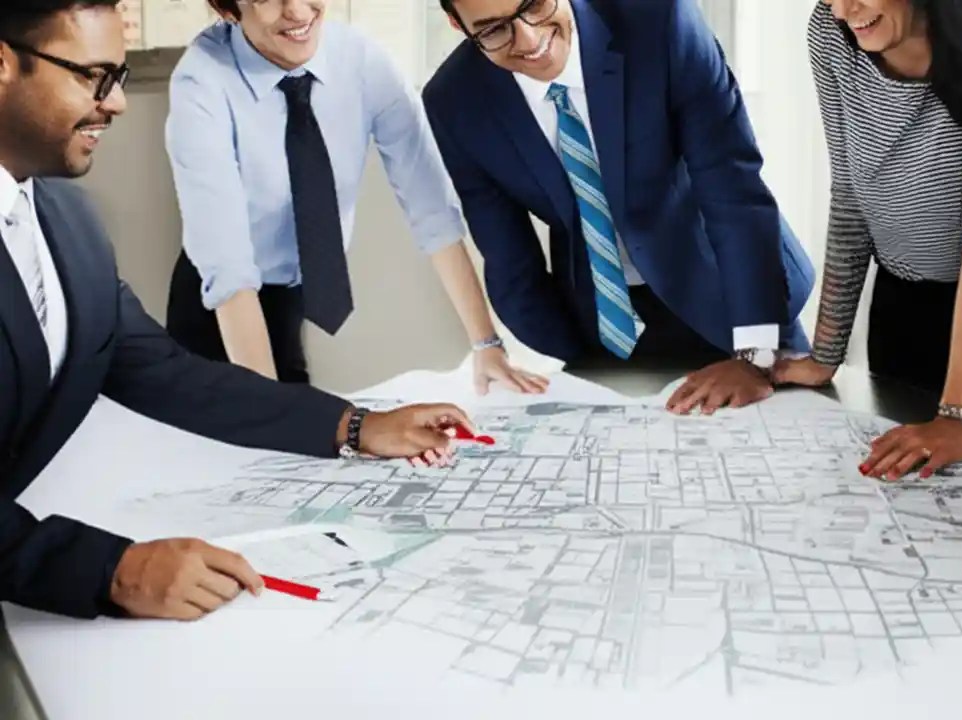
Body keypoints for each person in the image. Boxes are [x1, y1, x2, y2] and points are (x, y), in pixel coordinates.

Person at [0, 0, 475, 621]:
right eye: (94, 76)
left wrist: (356, 427)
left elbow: (170, 374)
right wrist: (109, 569)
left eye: (118, 77)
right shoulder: (204, 82)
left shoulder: (69, 223)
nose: (117, 103)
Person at [423, 0, 816, 415]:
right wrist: (576, 356)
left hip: (733, 296)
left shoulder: (661, 21)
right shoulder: (455, 100)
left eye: (535, 5)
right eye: (493, 30)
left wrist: (755, 355)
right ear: (456, 23)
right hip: (603, 325)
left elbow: (732, 188)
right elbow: (506, 252)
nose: (530, 39)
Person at [165, 0, 547, 396]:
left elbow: (431, 209)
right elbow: (228, 267)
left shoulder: (362, 61)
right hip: (217, 301)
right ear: (227, 8)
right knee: (232, 431)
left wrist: (486, 345)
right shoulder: (202, 82)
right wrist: (271, 414)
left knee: (295, 414)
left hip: (290, 291)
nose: (297, 11)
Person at [772, 0, 962, 481]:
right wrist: (824, 357)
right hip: (904, 310)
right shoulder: (830, 34)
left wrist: (958, 415)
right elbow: (850, 193)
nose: (843, 11)